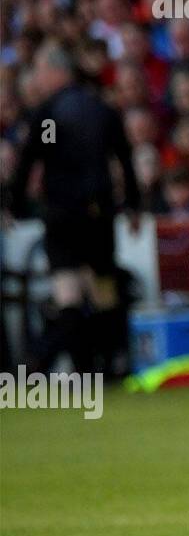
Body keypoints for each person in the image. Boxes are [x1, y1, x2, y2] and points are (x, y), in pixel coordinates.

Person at [7, 42, 140, 376]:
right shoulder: (101, 109)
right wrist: (134, 206)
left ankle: (79, 369)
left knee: (67, 292)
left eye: (39, 71)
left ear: (56, 71)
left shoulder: (46, 114)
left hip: (62, 215)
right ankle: (111, 363)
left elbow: (26, 165)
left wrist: (13, 206)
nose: (36, 79)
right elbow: (125, 161)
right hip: (98, 213)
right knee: (104, 290)